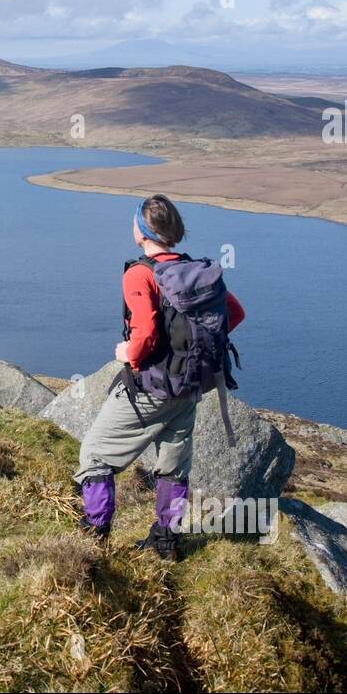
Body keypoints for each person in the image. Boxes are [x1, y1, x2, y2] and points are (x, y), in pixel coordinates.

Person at [73, 194, 245, 560]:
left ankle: (94, 533)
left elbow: (146, 334)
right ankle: (166, 542)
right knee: (173, 466)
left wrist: (128, 353)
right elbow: (236, 313)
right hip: (191, 386)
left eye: (135, 220)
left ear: (143, 230)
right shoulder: (197, 272)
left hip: (153, 388)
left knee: (94, 455)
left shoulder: (140, 273)